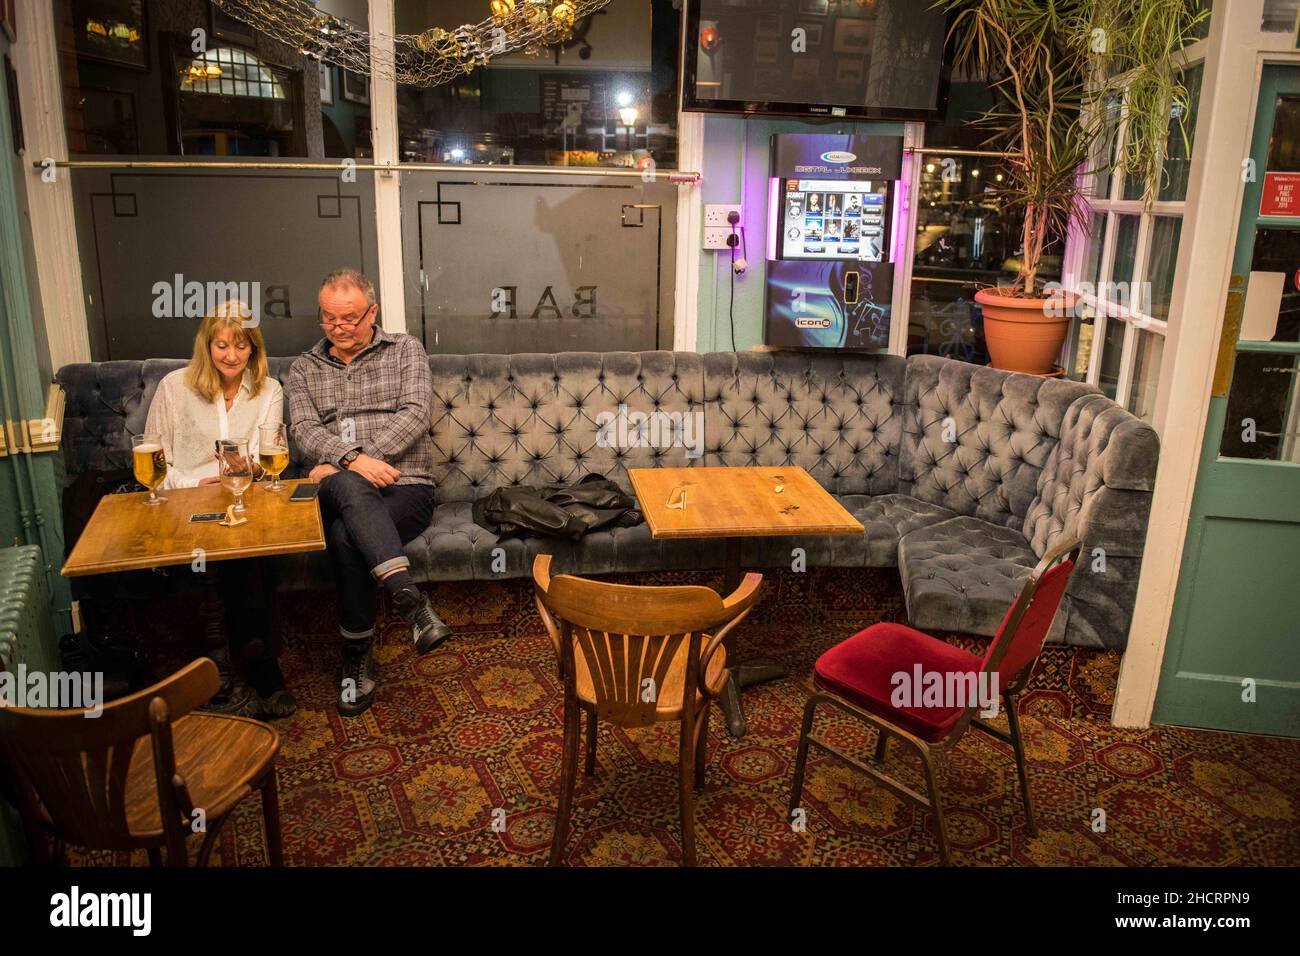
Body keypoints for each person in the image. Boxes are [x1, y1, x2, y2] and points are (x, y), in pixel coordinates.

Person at [289, 268, 452, 718]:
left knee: (346, 535)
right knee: (342, 483)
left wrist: (353, 461)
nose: (339, 328)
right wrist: (353, 463)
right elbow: (303, 429)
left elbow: (416, 412)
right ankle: (412, 603)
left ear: (372, 312)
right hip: (336, 487)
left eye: (350, 318)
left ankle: (357, 656)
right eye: (329, 319)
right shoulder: (304, 367)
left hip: (406, 486)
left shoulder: (405, 350)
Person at [143, 300, 294, 718]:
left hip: (246, 498)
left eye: (241, 346)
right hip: (186, 499)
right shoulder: (174, 387)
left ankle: (263, 668)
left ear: (254, 349)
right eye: (221, 345)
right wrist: (195, 482)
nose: (231, 355)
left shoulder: (269, 390)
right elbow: (156, 458)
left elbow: (270, 454)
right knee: (212, 560)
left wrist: (247, 475)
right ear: (207, 345)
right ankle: (221, 670)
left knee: (257, 554)